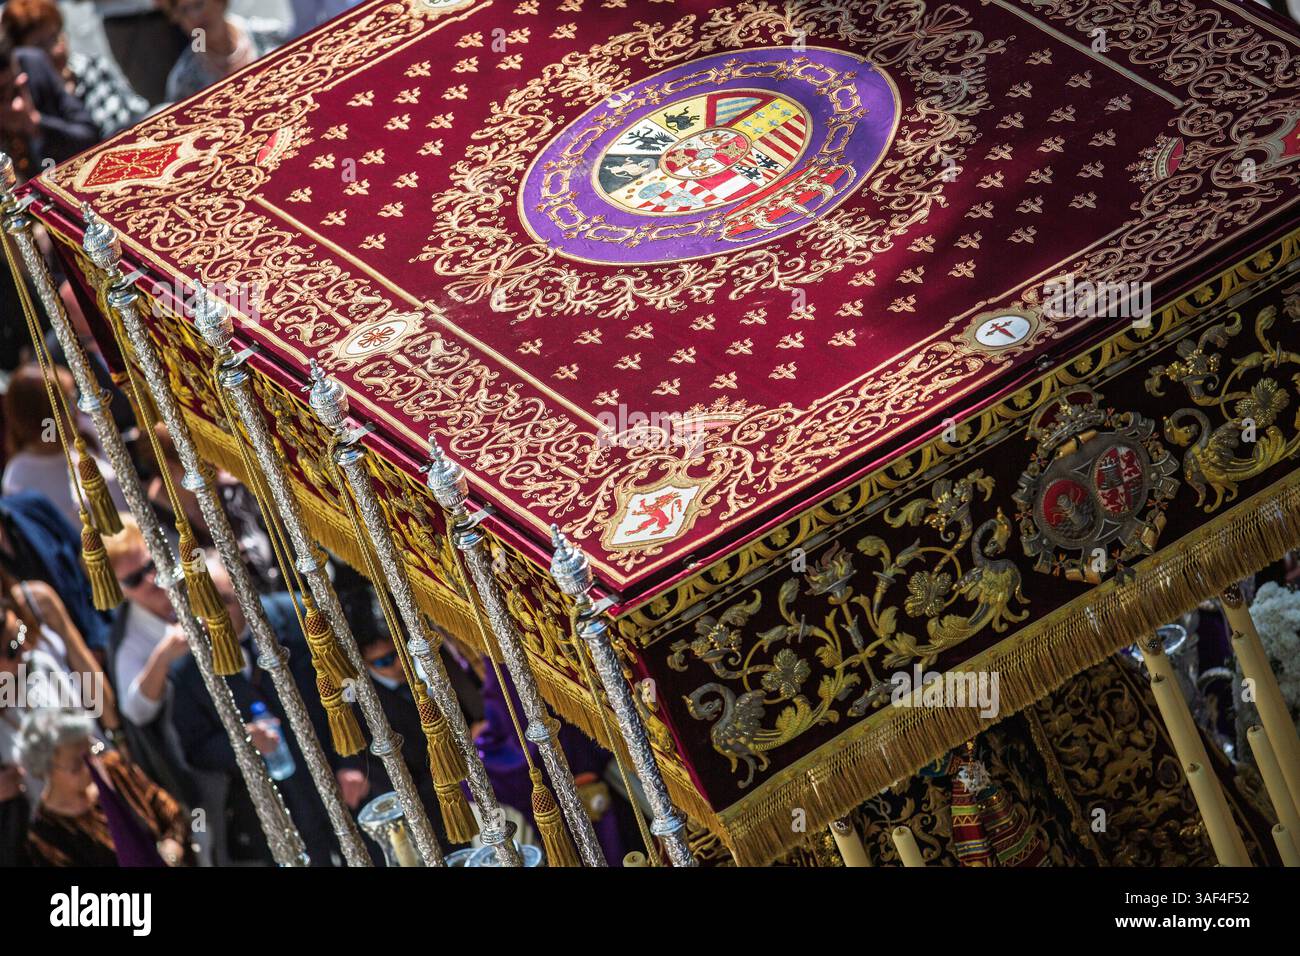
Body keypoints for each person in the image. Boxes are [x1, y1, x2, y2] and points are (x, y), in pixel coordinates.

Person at [169, 557, 352, 864]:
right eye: (204, 607)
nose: (215, 616)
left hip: (340, 774)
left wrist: (354, 763)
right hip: (283, 806)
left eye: (224, 601)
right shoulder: (187, 672)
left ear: (243, 592)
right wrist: (242, 742)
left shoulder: (298, 616)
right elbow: (197, 749)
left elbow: (350, 689)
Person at [15, 709, 191, 866]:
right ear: (45, 770)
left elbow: (171, 812)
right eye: (76, 764)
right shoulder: (45, 834)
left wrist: (172, 849)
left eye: (91, 752)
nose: (89, 768)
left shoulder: (114, 770)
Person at [102, 514, 195, 806]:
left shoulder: (190, 576)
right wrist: (162, 658)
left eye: (151, 565)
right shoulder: (128, 638)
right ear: (119, 591)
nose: (151, 581)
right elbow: (136, 710)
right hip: (199, 748)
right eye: (133, 579)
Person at [2, 363, 128, 530]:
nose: (76, 409)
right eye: (66, 404)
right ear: (43, 419)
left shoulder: (89, 431)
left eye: (74, 397)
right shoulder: (19, 478)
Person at [1, 0, 149, 136]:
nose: (56, 50)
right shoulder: (24, 101)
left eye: (55, 36)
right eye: (40, 45)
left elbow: (129, 117)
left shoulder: (89, 67)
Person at [0, 490, 113, 651]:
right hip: (51, 667)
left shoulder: (33, 506)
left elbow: (90, 563)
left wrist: (101, 636)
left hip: (106, 638)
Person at [0, 26, 98, 178]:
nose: (10, 102)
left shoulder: (33, 64)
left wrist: (36, 123)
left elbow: (88, 135)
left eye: (10, 88)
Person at [157, 0, 285, 103]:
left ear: (219, 2)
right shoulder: (184, 79)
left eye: (199, 4)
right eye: (184, 10)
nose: (194, 16)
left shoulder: (271, 35)